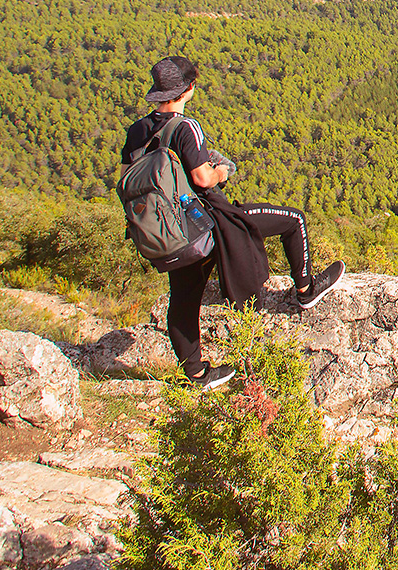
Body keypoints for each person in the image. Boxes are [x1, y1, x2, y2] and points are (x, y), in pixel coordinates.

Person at [122, 55, 344, 389]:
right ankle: (305, 290)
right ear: (188, 89)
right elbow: (203, 178)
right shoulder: (186, 127)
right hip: (207, 223)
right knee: (293, 220)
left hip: (170, 233)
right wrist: (223, 169)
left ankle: (197, 373)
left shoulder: (137, 130)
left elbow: (129, 178)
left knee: (183, 298)